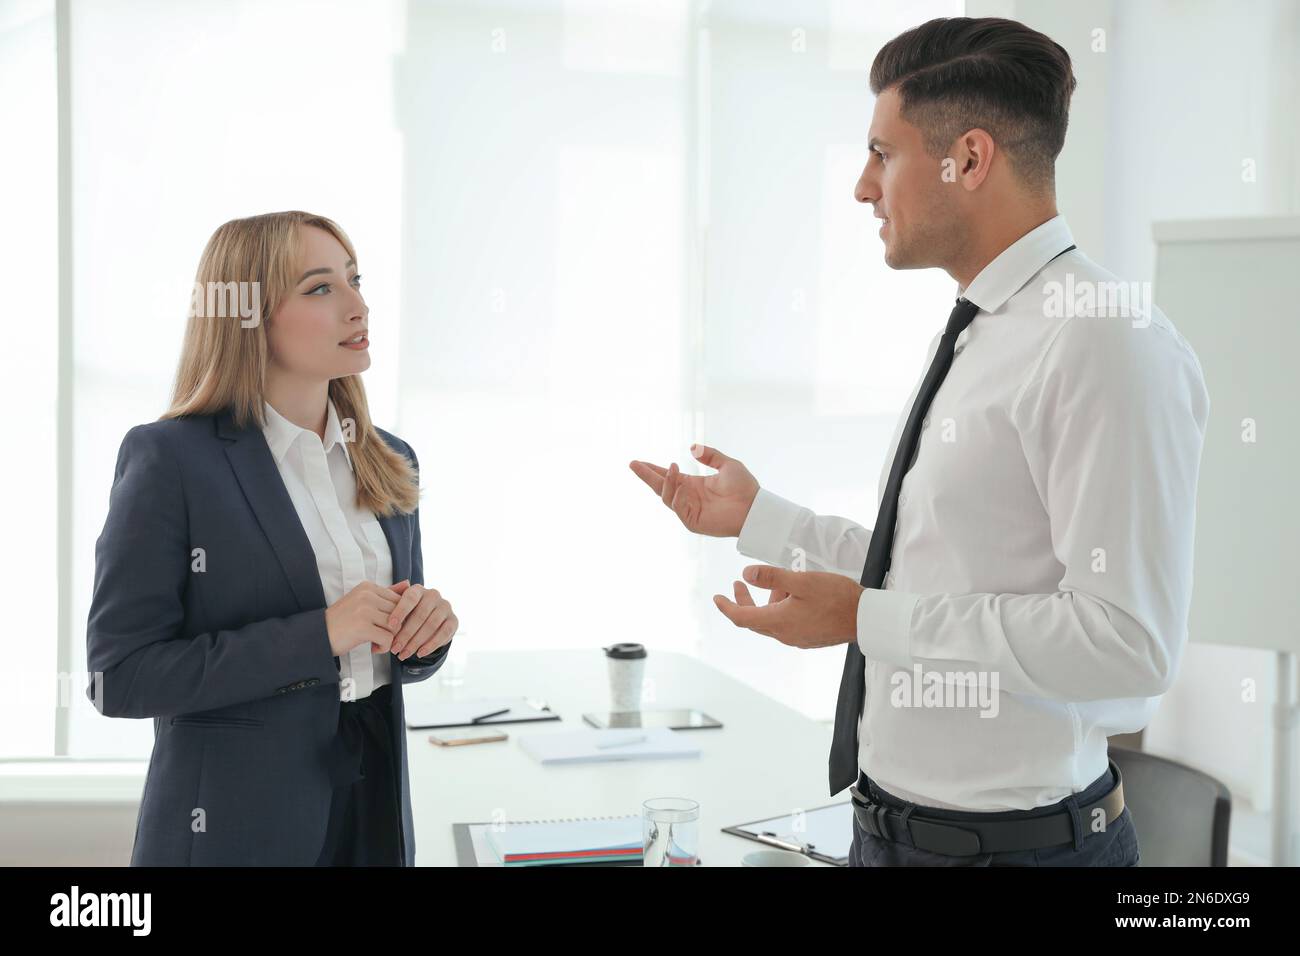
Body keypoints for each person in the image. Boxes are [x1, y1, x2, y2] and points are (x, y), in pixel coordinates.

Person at [630, 17, 1208, 867]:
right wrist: (767, 518)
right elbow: (940, 571)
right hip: (888, 835)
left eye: (882, 153)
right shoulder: (984, 332)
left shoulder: (1101, 341)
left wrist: (866, 618)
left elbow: (1128, 650)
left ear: (968, 159)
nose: (864, 187)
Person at [86, 211, 459, 866]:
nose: (358, 305)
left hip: (373, 811)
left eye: (355, 279)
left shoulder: (389, 458)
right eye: (321, 288)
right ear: (248, 315)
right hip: (236, 830)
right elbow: (118, 676)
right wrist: (319, 635)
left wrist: (425, 638)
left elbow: (387, 657)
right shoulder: (172, 460)